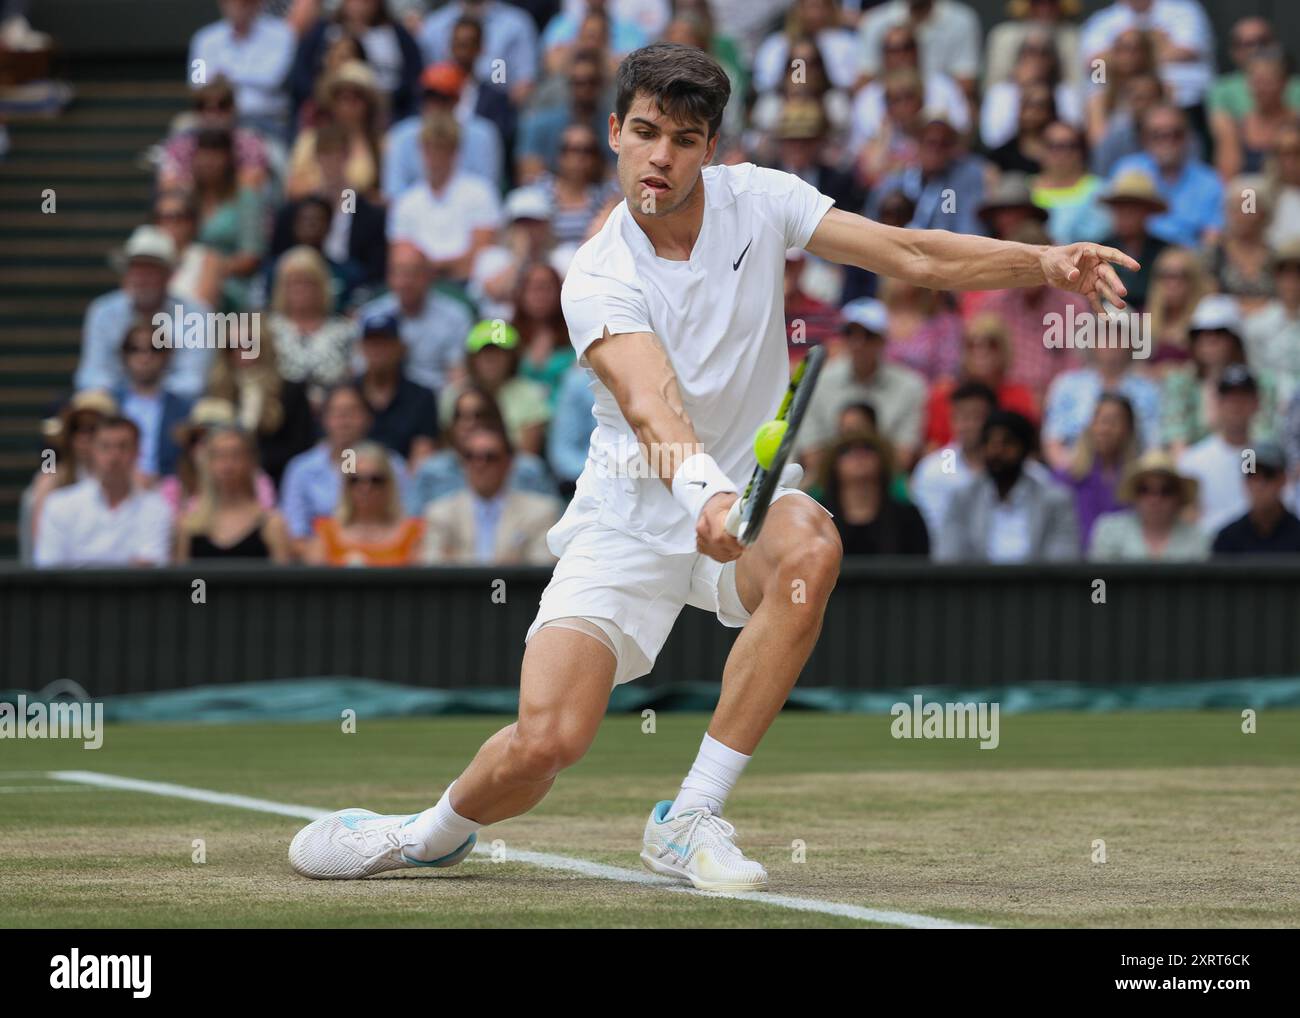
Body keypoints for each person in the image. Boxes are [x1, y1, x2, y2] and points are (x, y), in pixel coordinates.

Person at [288, 42, 1136, 889]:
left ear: (712, 149)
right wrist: (707, 493)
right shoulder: (594, 275)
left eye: (686, 140)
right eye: (646, 132)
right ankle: (424, 833)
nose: (662, 157)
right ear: (615, 130)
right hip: (628, 515)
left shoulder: (761, 200)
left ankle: (690, 815)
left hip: (749, 512)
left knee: (812, 548)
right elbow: (652, 403)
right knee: (546, 744)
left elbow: (908, 253)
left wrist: (1043, 262)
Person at [76, 226, 212, 399]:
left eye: (150, 270)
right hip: (114, 403)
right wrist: (131, 396)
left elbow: (193, 380)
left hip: (175, 408)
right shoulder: (102, 311)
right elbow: (91, 375)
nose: (141, 278)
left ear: (169, 275)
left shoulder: (197, 315)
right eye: (135, 269)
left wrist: (149, 394)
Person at [798, 298, 927, 474]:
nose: (858, 343)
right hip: (827, 484)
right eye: (850, 333)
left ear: (883, 340)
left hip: (885, 484)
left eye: (868, 335)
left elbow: (903, 456)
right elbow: (812, 453)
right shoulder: (817, 383)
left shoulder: (911, 386)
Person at [934, 410, 1080, 561]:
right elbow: (949, 558)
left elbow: (1062, 563)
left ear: (1024, 449)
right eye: (990, 443)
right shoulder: (963, 499)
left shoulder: (1054, 501)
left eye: (1007, 443)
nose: (997, 451)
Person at [280, 383, 410, 550]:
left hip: (384, 557)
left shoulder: (392, 464)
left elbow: (404, 518)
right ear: (323, 419)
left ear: (369, 418)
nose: (344, 419)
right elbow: (295, 532)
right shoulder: (301, 469)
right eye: (336, 412)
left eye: (352, 412)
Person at [34, 416, 172, 567]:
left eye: (123, 446)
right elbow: (49, 568)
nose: (114, 456)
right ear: (92, 451)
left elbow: (150, 568)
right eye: (105, 447)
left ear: (138, 451)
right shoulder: (59, 504)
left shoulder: (157, 508)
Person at [387, 111, 502, 282]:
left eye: (441, 148)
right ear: (421, 149)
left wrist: (428, 267)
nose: (434, 156)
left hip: (468, 284)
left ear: (455, 151)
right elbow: (400, 257)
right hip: (419, 287)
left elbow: (480, 256)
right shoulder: (407, 201)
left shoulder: (481, 192)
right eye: (429, 148)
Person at [421, 427, 562, 564]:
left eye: (490, 457)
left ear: (508, 462)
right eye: (471, 456)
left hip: (512, 589)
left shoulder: (541, 512)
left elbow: (542, 572)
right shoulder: (439, 513)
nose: (479, 464)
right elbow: (432, 569)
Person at [410, 385, 557, 512]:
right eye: (461, 417)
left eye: (479, 415)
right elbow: (413, 526)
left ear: (496, 421)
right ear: (452, 427)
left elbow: (554, 523)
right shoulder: (431, 471)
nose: (470, 424)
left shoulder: (528, 470)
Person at [175, 425, 292, 561]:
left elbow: (282, 579)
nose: (227, 464)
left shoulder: (271, 525)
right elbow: (183, 580)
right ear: (208, 463)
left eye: (235, 455)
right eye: (219, 456)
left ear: (250, 462)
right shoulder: (188, 526)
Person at [437, 319, 551, 456]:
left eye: (498, 352)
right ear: (472, 358)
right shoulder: (453, 394)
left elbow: (527, 456)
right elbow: (448, 447)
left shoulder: (530, 394)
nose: (491, 359)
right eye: (484, 352)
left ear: (512, 357)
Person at [1178, 364, 1266, 535]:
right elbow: (1185, 515)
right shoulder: (1193, 459)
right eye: (1229, 398)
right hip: (1209, 553)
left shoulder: (1267, 458)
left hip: (1258, 553)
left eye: (1243, 398)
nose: (1236, 405)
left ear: (1256, 403)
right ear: (1217, 403)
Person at [188, 0, 295, 138]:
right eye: (230, 2)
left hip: (264, 119)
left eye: (245, 2)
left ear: (258, 4)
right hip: (211, 117)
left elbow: (273, 79)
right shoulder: (204, 39)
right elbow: (197, 81)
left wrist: (223, 76)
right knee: (181, 128)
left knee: (275, 154)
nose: (237, 7)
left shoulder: (282, 34)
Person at [306, 441, 424, 565]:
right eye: (355, 480)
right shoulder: (325, 533)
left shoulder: (413, 533)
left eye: (375, 480)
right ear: (345, 485)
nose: (365, 488)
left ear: (390, 484)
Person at [818, 432, 929, 556]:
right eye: (846, 450)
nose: (858, 454)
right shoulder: (817, 519)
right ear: (833, 465)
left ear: (882, 460)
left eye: (868, 448)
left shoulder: (909, 517)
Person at [1052, 392, 1138, 549]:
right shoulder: (1066, 478)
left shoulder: (1140, 482)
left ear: (1129, 428)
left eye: (1113, 421)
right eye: (1098, 420)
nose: (1104, 429)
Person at [910, 379, 995, 538]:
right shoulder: (931, 469)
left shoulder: (1019, 469)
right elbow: (929, 529)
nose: (969, 425)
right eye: (962, 417)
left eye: (977, 417)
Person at [1089, 448, 1208, 560]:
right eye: (1144, 490)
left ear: (1178, 497)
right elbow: (1098, 580)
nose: (1155, 499)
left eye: (1166, 491)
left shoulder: (1197, 537)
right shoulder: (1109, 530)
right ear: (1134, 495)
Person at [112, 321, 195, 482]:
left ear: (167, 356)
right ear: (124, 356)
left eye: (154, 349)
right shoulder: (109, 406)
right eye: (135, 350)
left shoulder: (185, 410)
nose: (145, 357)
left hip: (168, 492)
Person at [355, 311, 438, 464]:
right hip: (353, 477)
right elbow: (342, 445)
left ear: (400, 348)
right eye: (372, 343)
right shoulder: (348, 394)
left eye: (385, 343)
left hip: (404, 482)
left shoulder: (421, 398)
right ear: (362, 348)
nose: (378, 350)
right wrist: (354, 481)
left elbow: (422, 455)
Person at [1212, 441, 1300, 555]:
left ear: (1283, 479)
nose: (1259, 484)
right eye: (1251, 474)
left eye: (1268, 474)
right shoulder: (1227, 539)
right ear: (1245, 482)